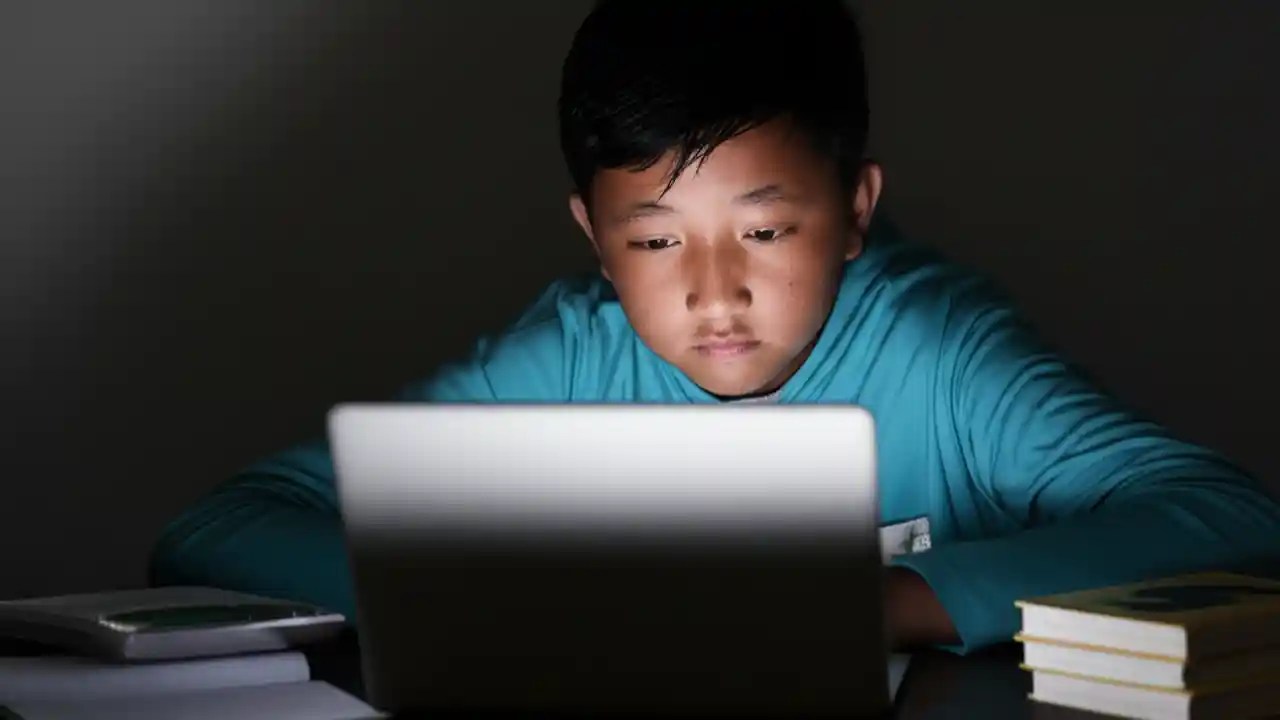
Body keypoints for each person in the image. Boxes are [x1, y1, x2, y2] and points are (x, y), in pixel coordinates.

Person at [150, 0, 1280, 653]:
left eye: (766, 231)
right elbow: (218, 529)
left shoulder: (942, 355)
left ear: (852, 212)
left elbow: (1227, 515)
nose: (711, 291)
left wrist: (888, 604)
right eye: (651, 243)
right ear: (593, 238)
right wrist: (474, 594)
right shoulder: (568, 359)